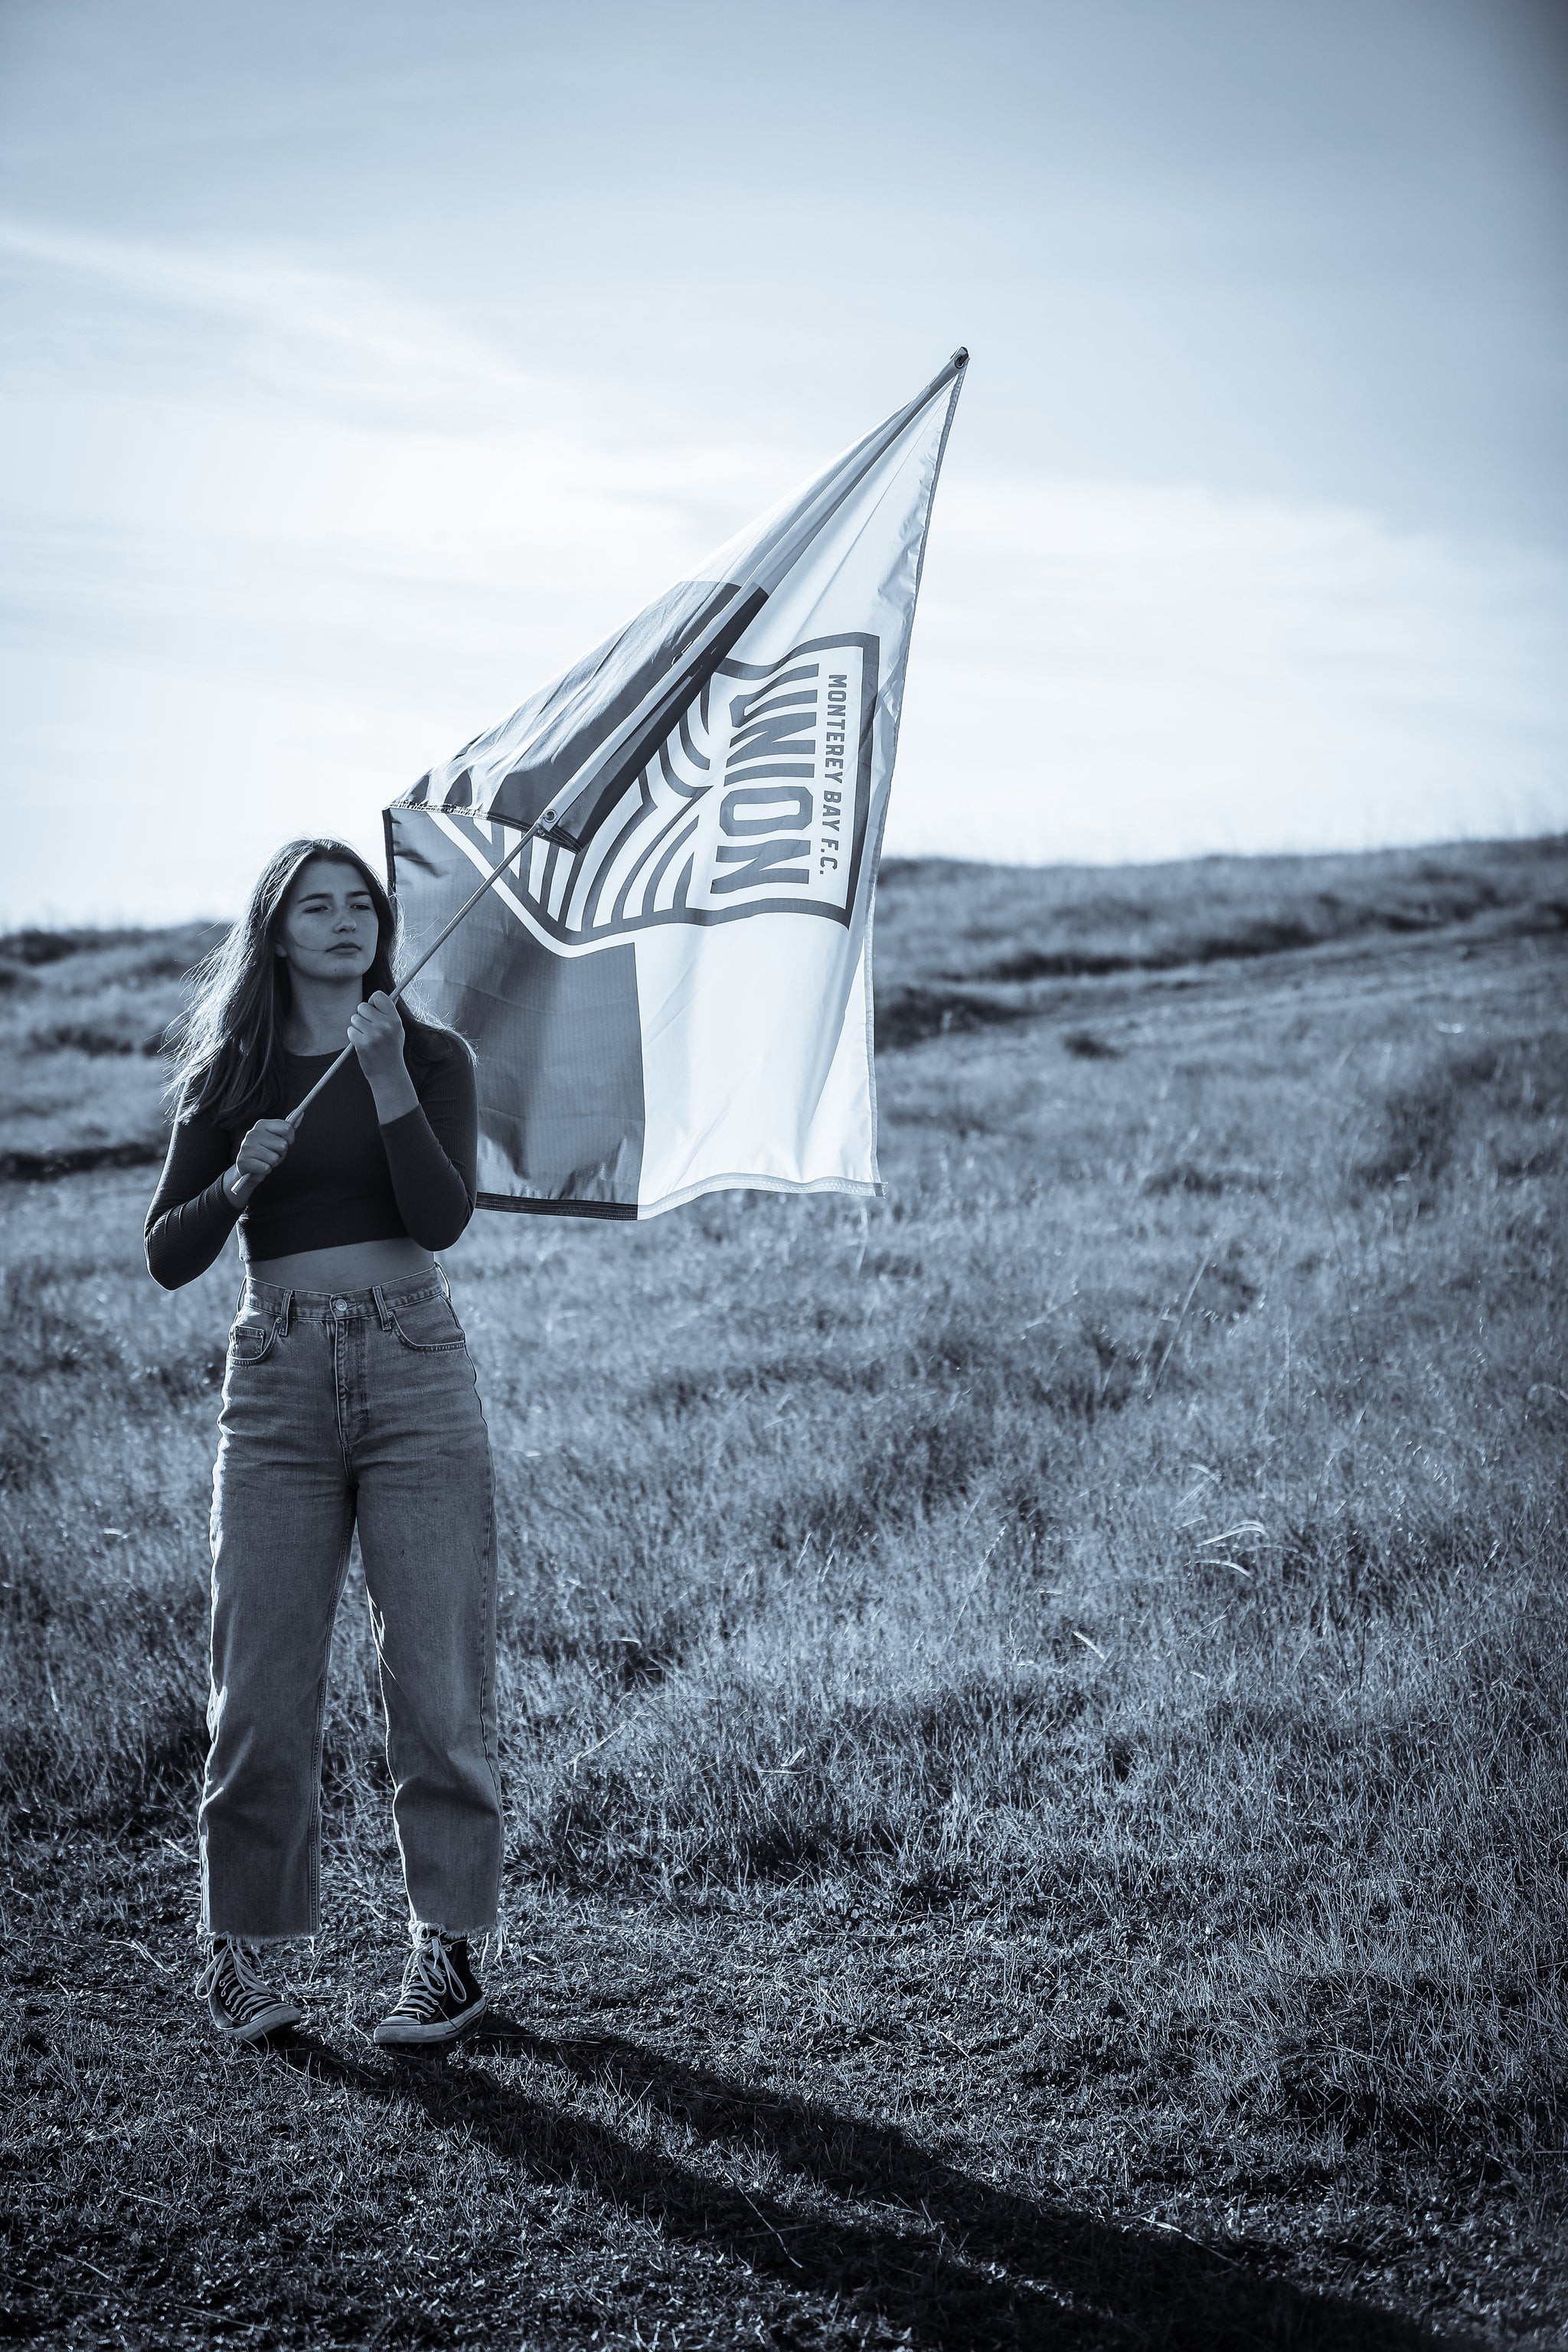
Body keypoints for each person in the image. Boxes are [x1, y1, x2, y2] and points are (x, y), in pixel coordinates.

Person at [145, 837, 503, 2049]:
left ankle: (447, 1951)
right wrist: (235, 1183)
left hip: (415, 1366)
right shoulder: (233, 1074)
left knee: (437, 1679)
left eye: (362, 905)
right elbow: (169, 1253)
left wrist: (389, 1076)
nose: (347, 921)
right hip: (277, 1380)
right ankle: (242, 1953)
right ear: (277, 933)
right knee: (259, 1683)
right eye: (317, 907)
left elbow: (441, 1218)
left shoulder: (432, 1054)